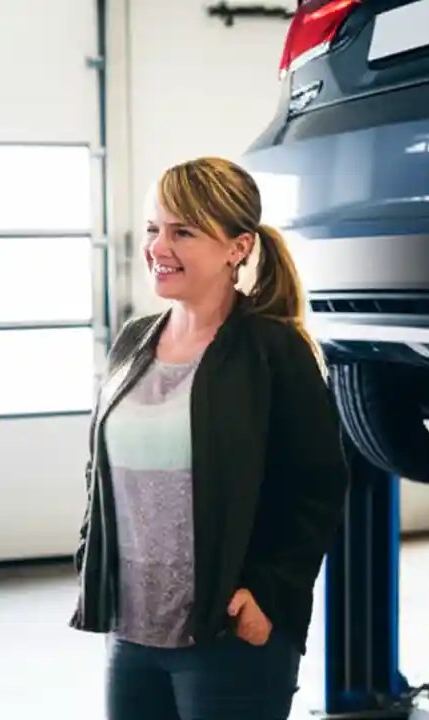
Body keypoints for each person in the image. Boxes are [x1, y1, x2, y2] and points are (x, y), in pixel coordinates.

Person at [70, 156, 351, 719]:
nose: (158, 247)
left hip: (226, 631)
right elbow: (99, 473)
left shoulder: (272, 351)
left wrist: (267, 594)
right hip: (131, 628)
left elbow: (317, 487)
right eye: (154, 229)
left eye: (183, 231)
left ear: (237, 247)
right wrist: (90, 557)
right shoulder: (133, 343)